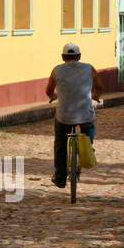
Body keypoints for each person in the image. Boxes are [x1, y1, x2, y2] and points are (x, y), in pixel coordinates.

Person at [45, 42, 102, 189]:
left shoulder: (56, 70)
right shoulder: (89, 68)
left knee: (60, 144)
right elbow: (99, 87)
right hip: (85, 115)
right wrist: (95, 96)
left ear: (63, 57)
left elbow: (48, 90)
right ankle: (88, 144)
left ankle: (60, 178)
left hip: (64, 117)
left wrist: (53, 95)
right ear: (79, 56)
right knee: (89, 123)